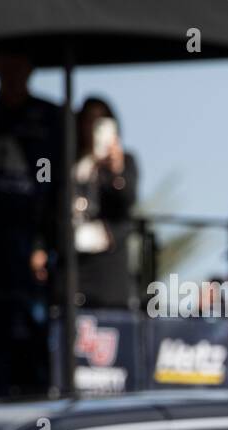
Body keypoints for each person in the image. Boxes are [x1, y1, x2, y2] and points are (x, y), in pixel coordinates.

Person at [0, 52, 59, 397]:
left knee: (34, 324)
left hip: (35, 242)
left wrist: (43, 244)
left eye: (20, 67)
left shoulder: (49, 117)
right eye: (6, 67)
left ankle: (37, 389)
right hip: (0, 244)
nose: (13, 75)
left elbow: (59, 187)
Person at [72, 97, 137, 309]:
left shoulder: (125, 162)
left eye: (101, 122)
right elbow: (45, 188)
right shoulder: (67, 163)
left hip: (107, 280)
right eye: (89, 120)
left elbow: (127, 200)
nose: (93, 128)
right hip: (71, 274)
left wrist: (116, 171)